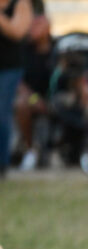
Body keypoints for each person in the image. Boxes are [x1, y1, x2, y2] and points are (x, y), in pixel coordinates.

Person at [13, 5, 51, 170]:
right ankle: (30, 150)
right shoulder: (24, 51)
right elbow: (18, 81)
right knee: (22, 103)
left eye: (38, 25)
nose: (33, 29)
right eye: (32, 24)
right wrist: (35, 98)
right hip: (32, 98)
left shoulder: (57, 50)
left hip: (55, 98)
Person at [0, 0, 31, 178]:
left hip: (9, 69)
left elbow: (18, 31)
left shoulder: (20, 3)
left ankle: (2, 164)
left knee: (2, 114)